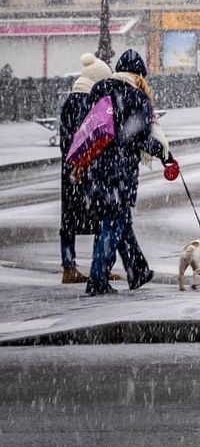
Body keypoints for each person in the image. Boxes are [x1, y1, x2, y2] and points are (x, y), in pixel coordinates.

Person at [81, 49, 173, 296]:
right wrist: (162, 152)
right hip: (119, 172)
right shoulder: (136, 97)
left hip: (95, 169)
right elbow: (136, 137)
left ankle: (137, 270)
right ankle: (97, 280)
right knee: (113, 224)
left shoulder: (98, 90)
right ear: (139, 75)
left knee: (118, 221)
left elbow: (85, 126)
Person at [58, 52, 112, 284]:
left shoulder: (71, 100)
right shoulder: (88, 102)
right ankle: (98, 267)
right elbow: (91, 136)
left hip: (70, 169)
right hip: (86, 169)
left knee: (69, 220)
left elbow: (66, 139)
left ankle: (69, 266)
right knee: (101, 217)